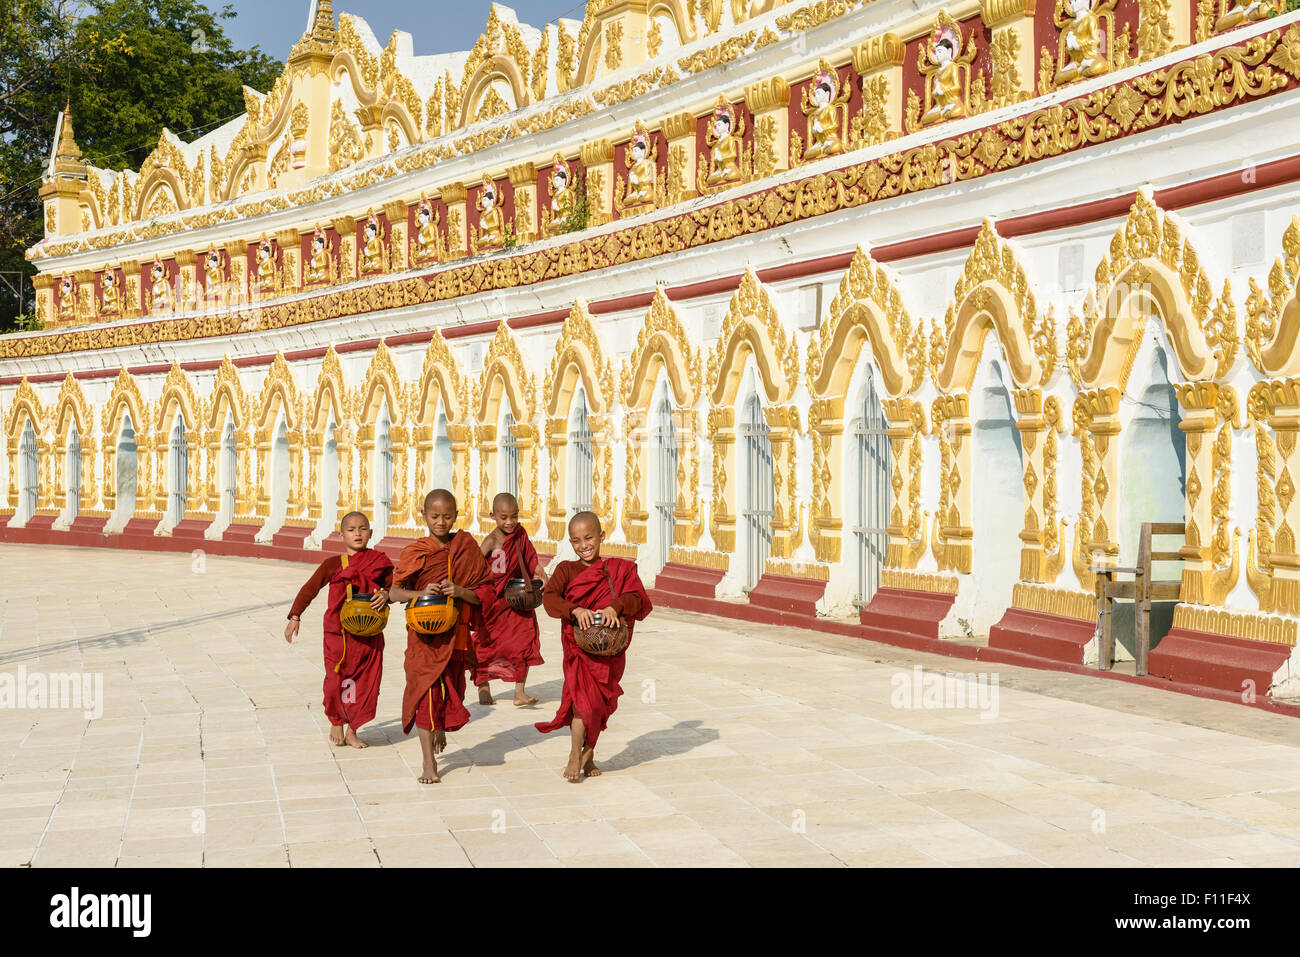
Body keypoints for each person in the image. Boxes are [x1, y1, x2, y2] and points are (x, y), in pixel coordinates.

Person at [534, 511, 652, 782]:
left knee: (600, 706)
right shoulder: (566, 569)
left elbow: (637, 598)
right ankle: (575, 756)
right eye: (576, 541)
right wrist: (574, 610)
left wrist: (615, 606)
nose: (583, 545)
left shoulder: (618, 570)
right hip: (578, 649)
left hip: (610, 652)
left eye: (589, 538)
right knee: (582, 705)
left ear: (601, 536)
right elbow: (550, 599)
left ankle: (589, 753)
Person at [389, 489, 494, 783]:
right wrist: (422, 592)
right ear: (424, 516)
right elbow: (394, 592)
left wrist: (460, 592)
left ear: (456, 516)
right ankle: (428, 762)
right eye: (434, 516)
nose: (441, 522)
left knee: (452, 690)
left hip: (454, 633)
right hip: (423, 637)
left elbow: (486, 590)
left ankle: (439, 727)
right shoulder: (416, 552)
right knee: (424, 690)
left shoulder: (465, 547)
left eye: (447, 516)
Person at [284, 511, 393, 749]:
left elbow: (394, 588)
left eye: (363, 529)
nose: (357, 533)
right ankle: (337, 719)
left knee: (364, 682)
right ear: (341, 534)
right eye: (351, 529)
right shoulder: (332, 564)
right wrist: (295, 615)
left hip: (369, 634)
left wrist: (386, 595)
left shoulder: (380, 562)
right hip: (339, 635)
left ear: (371, 533)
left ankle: (353, 729)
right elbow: (310, 589)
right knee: (337, 680)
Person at [472, 492, 546, 707]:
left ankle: (519, 692)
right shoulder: (490, 541)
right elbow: (473, 568)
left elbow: (530, 557)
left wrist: (539, 570)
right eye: (504, 517)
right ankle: (483, 685)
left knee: (525, 640)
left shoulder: (520, 534)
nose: (510, 522)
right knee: (487, 645)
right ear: (492, 515)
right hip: (494, 603)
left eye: (514, 516)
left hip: (517, 598)